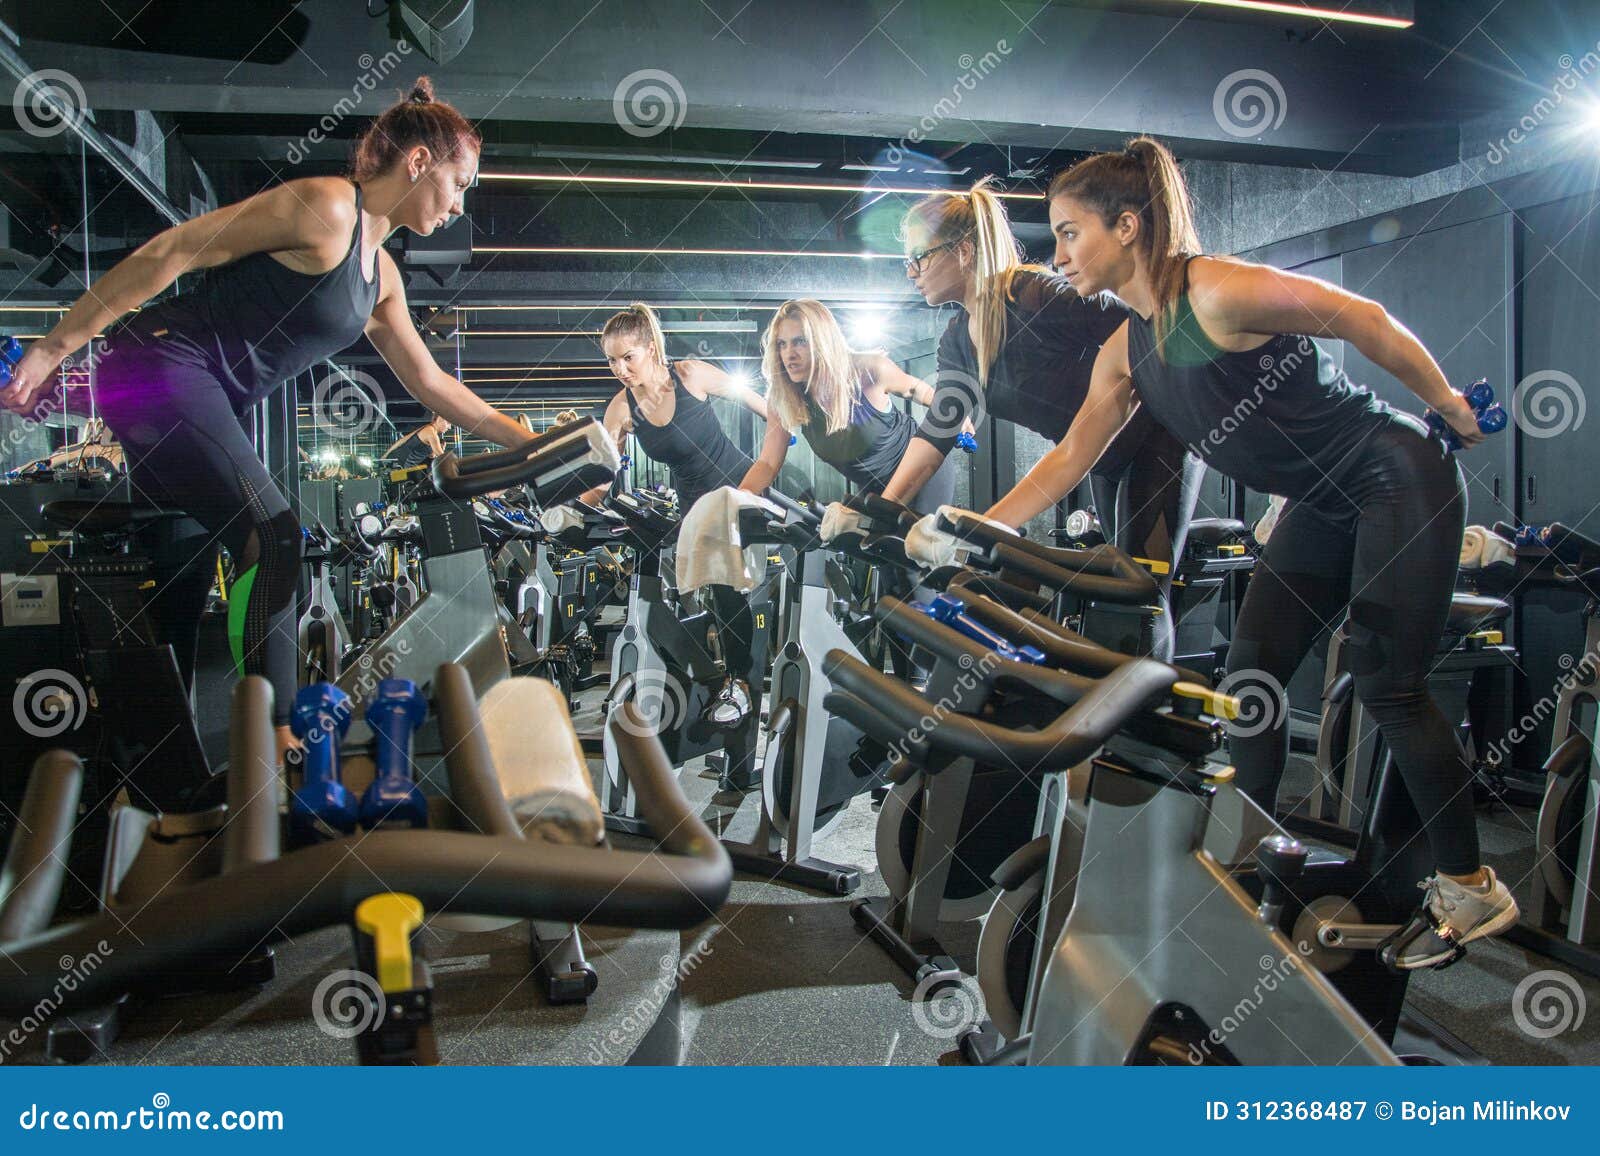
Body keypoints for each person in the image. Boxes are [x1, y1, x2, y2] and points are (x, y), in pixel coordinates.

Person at [976, 135, 1516, 964]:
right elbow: (1069, 455)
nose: (1058, 256)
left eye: (1069, 232)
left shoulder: (1217, 291)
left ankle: (1472, 889)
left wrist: (1446, 400)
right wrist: (982, 528)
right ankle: (1250, 860)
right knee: (1252, 674)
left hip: (1394, 475)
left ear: (1126, 226)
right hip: (1320, 504)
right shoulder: (1127, 349)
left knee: (1387, 685)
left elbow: (1360, 317)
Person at [0, 78, 539, 767]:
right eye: (459, 184)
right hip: (160, 367)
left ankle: (153, 771)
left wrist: (532, 443)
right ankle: (278, 738)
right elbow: (174, 251)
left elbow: (431, 384)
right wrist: (50, 349)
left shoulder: (381, 277)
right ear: (418, 163)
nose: (460, 205)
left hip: (206, 398)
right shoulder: (325, 209)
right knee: (275, 538)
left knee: (180, 574)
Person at [849, 179, 1201, 658]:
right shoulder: (957, 340)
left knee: (1139, 596)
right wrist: (876, 512)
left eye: (920, 256)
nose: (911, 271)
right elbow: (938, 433)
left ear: (965, 250)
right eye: (907, 260)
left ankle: (1143, 723)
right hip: (1100, 460)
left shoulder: (1033, 295)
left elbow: (1143, 322)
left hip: (1158, 440)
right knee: (1113, 597)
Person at [592, 302, 770, 721]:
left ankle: (741, 682)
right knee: (711, 589)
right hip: (694, 502)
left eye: (627, 357)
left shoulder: (690, 374)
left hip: (740, 484)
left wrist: (786, 433)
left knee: (727, 587)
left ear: (651, 347)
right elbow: (605, 468)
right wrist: (580, 505)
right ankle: (724, 680)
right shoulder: (620, 408)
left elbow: (752, 399)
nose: (620, 368)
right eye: (612, 360)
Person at [738, 298, 957, 514]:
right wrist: (737, 500)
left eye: (800, 341)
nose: (789, 354)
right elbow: (767, 463)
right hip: (872, 487)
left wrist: (952, 414)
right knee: (870, 547)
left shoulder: (868, 370)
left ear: (822, 341)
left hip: (920, 471)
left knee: (914, 546)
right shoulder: (784, 399)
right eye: (782, 344)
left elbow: (916, 389)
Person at [385, 413, 451, 466]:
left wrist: (386, 455)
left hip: (396, 461)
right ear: (440, 419)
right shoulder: (431, 433)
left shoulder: (427, 428)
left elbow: (403, 440)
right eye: (448, 423)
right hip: (400, 464)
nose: (449, 427)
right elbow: (442, 457)